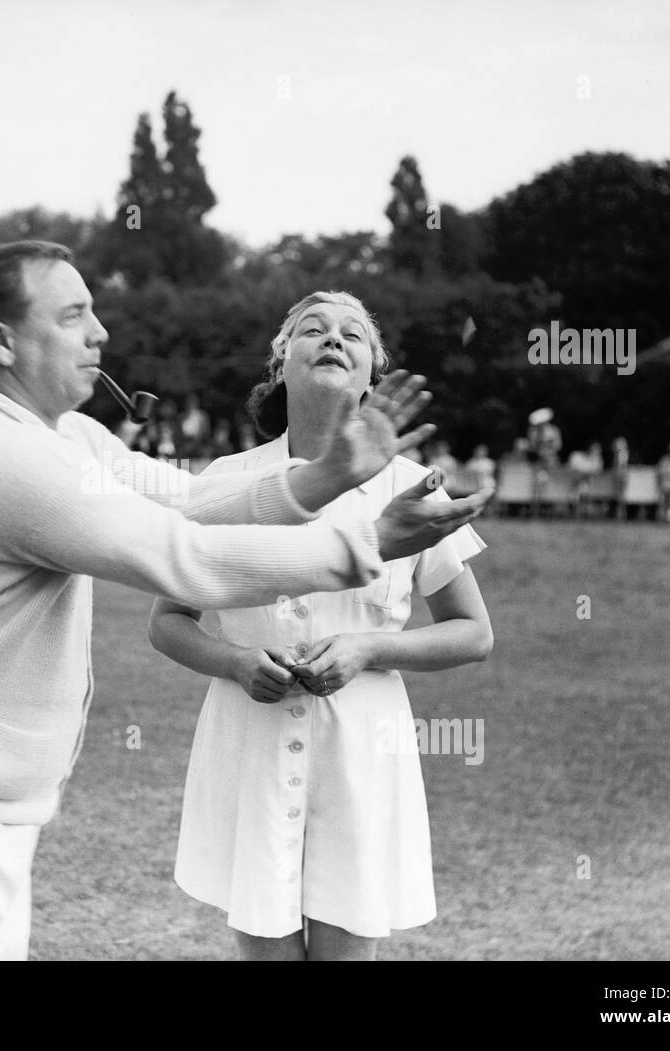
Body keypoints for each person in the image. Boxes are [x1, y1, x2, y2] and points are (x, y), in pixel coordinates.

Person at [0, 240, 492, 961]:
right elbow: (185, 558)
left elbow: (193, 501)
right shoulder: (8, 460)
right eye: (73, 316)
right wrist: (368, 538)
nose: (100, 333)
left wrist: (326, 477)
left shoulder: (67, 436)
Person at [148, 290, 492, 961]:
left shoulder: (416, 485)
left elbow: (473, 631)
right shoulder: (226, 481)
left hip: (362, 748)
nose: (333, 338)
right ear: (281, 364)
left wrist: (369, 646)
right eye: (313, 329)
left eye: (353, 335)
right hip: (249, 737)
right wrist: (235, 661)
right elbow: (167, 622)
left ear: (370, 376)